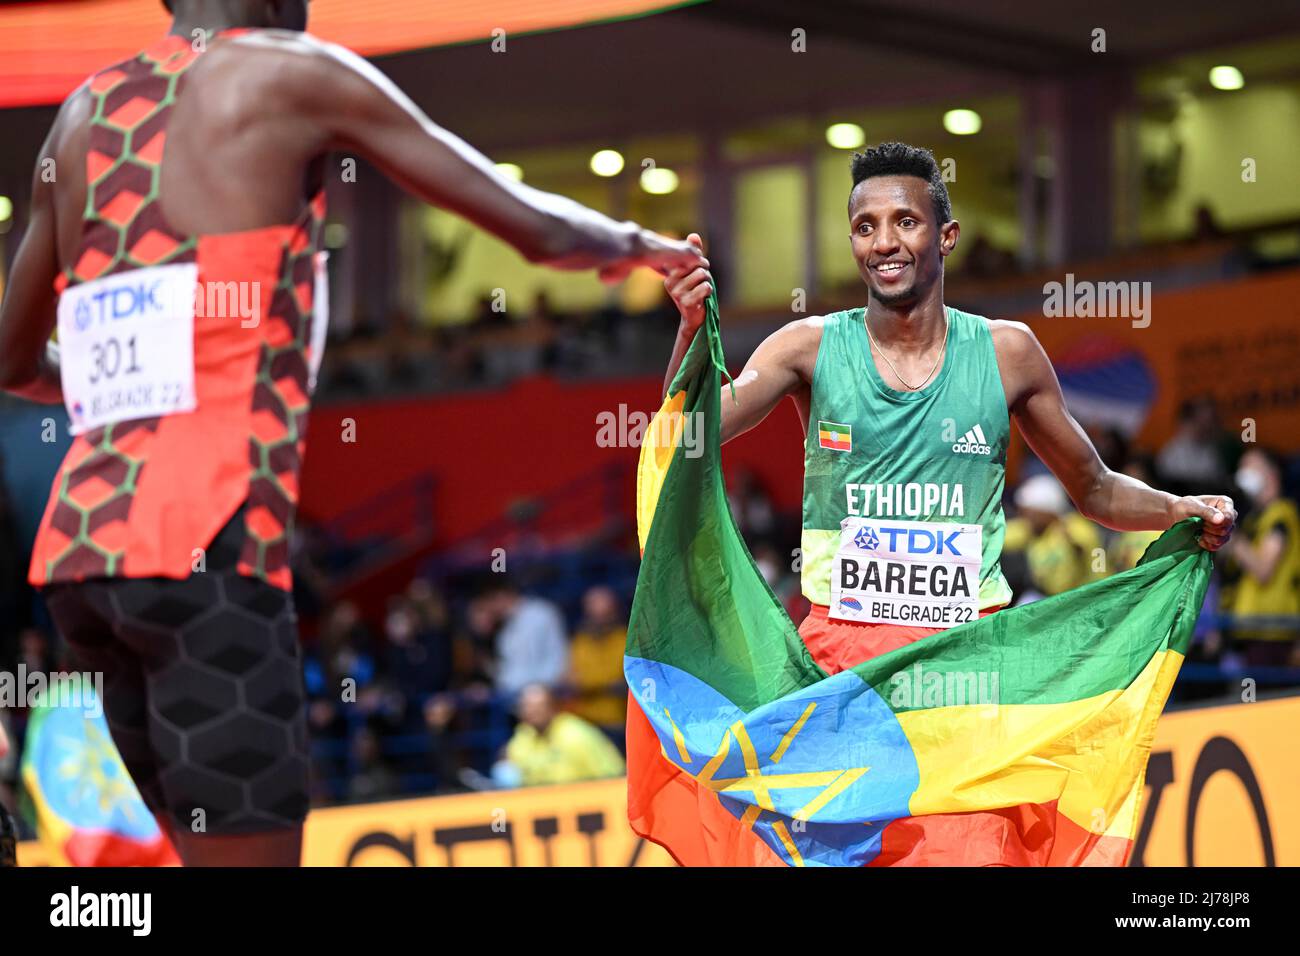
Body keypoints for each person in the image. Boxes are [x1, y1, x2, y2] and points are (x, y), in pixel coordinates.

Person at [0, 0, 705, 867]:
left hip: (82, 564)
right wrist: (641, 244)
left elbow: (12, 357)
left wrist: (147, 377)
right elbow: (535, 225)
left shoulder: (80, 116)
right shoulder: (291, 70)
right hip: (206, 546)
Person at [660, 142, 1236, 742]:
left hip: (966, 668)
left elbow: (1093, 487)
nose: (883, 242)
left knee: (971, 838)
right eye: (865, 227)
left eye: (905, 222)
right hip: (843, 667)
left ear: (946, 236)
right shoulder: (808, 346)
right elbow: (683, 438)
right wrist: (691, 332)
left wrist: (1175, 508)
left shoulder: (1006, 353)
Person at [1225, 447, 1300, 667]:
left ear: (1271, 474)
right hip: (1253, 629)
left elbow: (1262, 569)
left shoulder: (1281, 515)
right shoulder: (1254, 518)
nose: (1243, 473)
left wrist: (1230, 534)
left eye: (1251, 466)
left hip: (1275, 631)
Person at [494, 683, 625, 788]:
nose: (531, 713)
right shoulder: (524, 734)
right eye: (526, 708)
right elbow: (509, 764)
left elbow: (613, 774)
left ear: (553, 707)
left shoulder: (576, 734)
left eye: (538, 708)